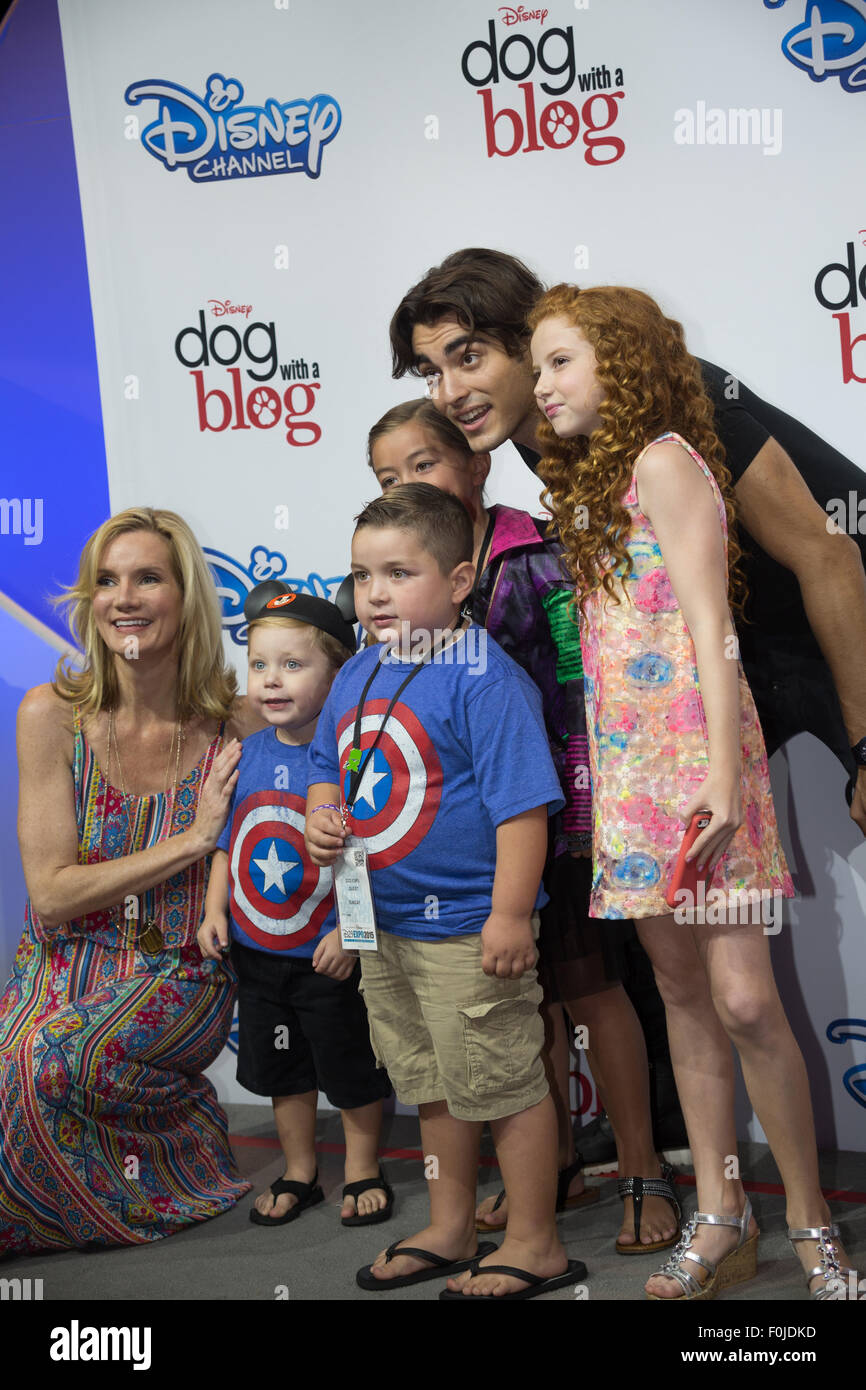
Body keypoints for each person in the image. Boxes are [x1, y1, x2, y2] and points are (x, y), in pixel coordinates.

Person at [529, 282, 859, 1300]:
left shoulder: (667, 462)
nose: (538, 387)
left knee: (745, 1000)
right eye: (537, 366)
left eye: (558, 363)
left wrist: (723, 774)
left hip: (700, 768)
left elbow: (714, 630)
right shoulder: (583, 483)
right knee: (677, 994)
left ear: (618, 365)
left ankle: (807, 1218)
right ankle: (719, 1214)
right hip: (629, 778)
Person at [389, 252, 688, 1252]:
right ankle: (545, 1166)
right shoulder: (404, 590)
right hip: (475, 841)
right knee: (524, 1010)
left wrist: (584, 813)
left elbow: (574, 691)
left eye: (424, 467)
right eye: (387, 479)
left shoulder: (532, 552)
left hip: (558, 821)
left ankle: (644, 1167)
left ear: (477, 465)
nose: (407, 488)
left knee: (591, 990)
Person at [390, 248, 866, 836]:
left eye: (469, 358)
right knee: (687, 870)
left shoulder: (671, 396)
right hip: (735, 652)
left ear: (528, 340)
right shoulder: (541, 433)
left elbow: (829, 556)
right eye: (432, 372)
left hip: (838, 625)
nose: (449, 392)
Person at [305, 483, 584, 1299]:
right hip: (386, 928)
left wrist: (507, 915)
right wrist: (323, 817)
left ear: (460, 582)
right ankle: (453, 1223)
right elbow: (329, 767)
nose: (376, 594)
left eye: (399, 573)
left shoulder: (485, 682)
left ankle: (535, 1240)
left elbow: (523, 809)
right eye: (362, 577)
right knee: (430, 1084)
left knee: (504, 1085)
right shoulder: (357, 671)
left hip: (468, 929)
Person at [0, 508, 254, 1255]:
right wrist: (192, 840)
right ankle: (171, 1128)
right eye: (106, 581)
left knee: (52, 1062)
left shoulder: (238, 724)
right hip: (59, 965)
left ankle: (181, 1148)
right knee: (17, 1067)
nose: (124, 598)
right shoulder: (51, 716)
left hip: (179, 972)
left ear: (186, 597)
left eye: (148, 577)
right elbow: (50, 893)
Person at [197, 582, 392, 1227]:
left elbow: (366, 854)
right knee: (284, 1067)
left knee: (349, 1061)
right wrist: (215, 910)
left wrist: (351, 934)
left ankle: (363, 1166)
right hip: (259, 957)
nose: (271, 681)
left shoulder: (353, 758)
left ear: (338, 675)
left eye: (292, 665)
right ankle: (301, 1169)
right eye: (259, 666)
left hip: (326, 953)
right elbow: (226, 845)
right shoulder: (243, 755)